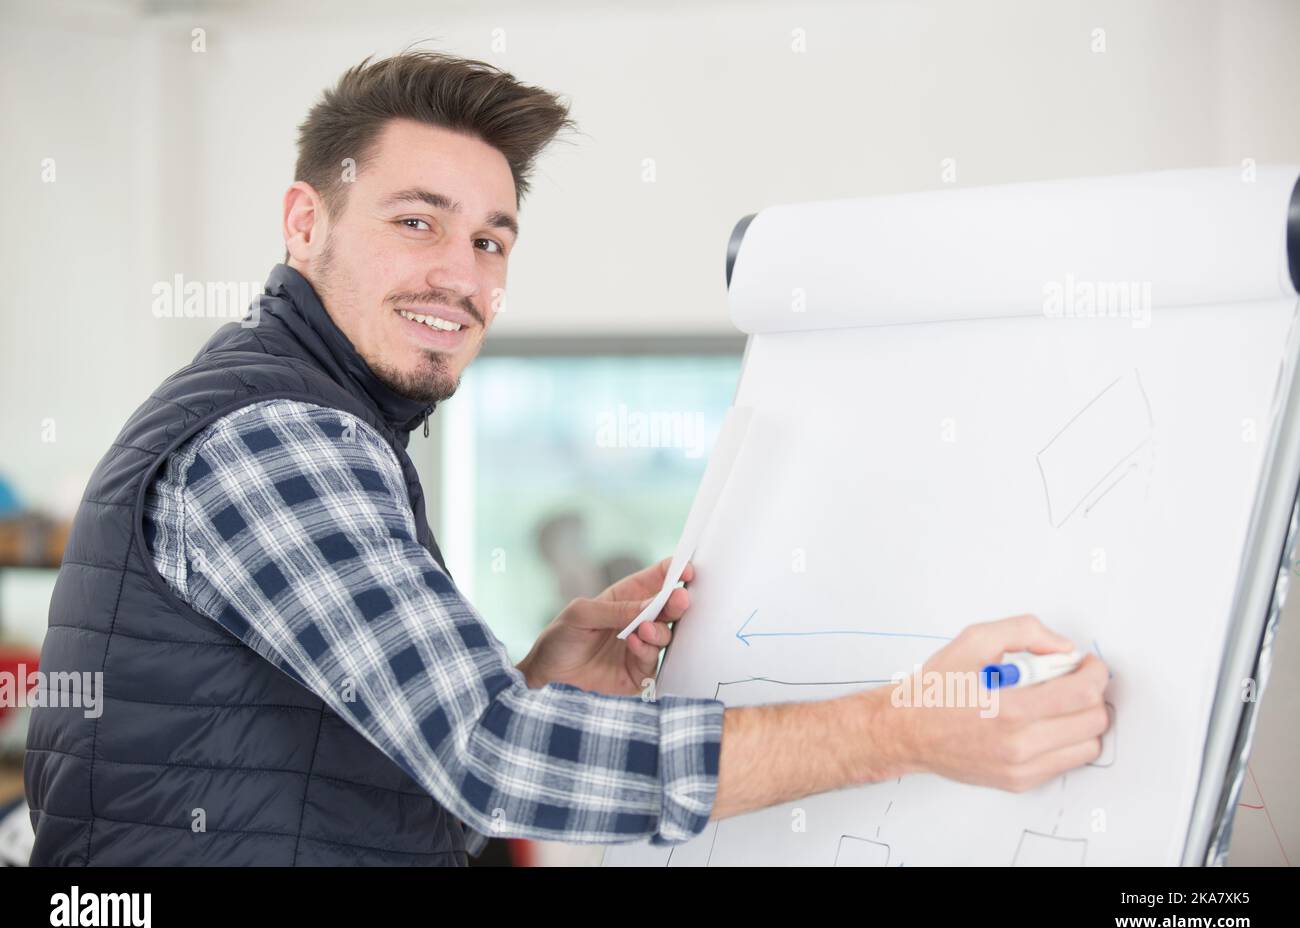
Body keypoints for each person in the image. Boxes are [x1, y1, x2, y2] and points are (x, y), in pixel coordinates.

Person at [25, 51, 1109, 866]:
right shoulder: (278, 434)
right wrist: (903, 724)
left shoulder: (319, 415)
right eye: (418, 221)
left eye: (491, 240)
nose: (462, 275)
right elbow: (490, 756)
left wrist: (535, 677)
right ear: (306, 221)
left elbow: (382, 762)